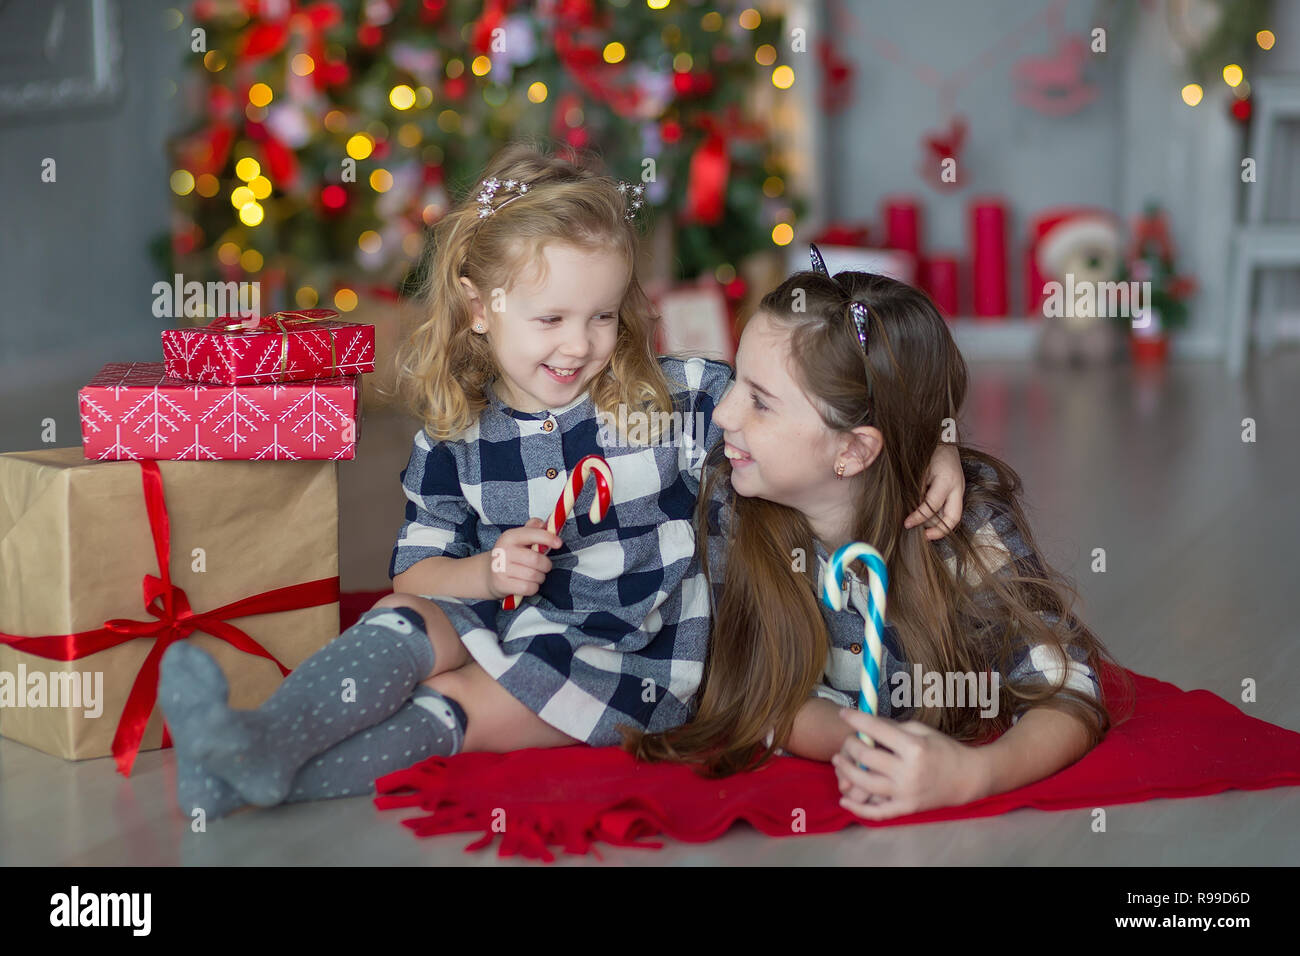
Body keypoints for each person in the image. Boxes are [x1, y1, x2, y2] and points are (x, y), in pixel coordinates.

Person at [158, 145, 966, 820]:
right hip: (507, 610)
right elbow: (416, 572)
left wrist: (931, 443)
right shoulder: (454, 433)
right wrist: (486, 572)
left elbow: (817, 414)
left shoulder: (675, 395)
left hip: (632, 659)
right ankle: (260, 740)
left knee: (464, 709)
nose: (580, 345)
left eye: (604, 316)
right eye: (550, 319)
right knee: (405, 616)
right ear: (479, 307)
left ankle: (248, 783)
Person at [622, 255, 1134, 820]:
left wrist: (974, 774)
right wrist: (858, 742)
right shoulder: (729, 478)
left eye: (760, 401)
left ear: (854, 450)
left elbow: (1067, 684)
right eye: (736, 379)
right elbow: (764, 698)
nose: (722, 412)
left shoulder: (961, 522)